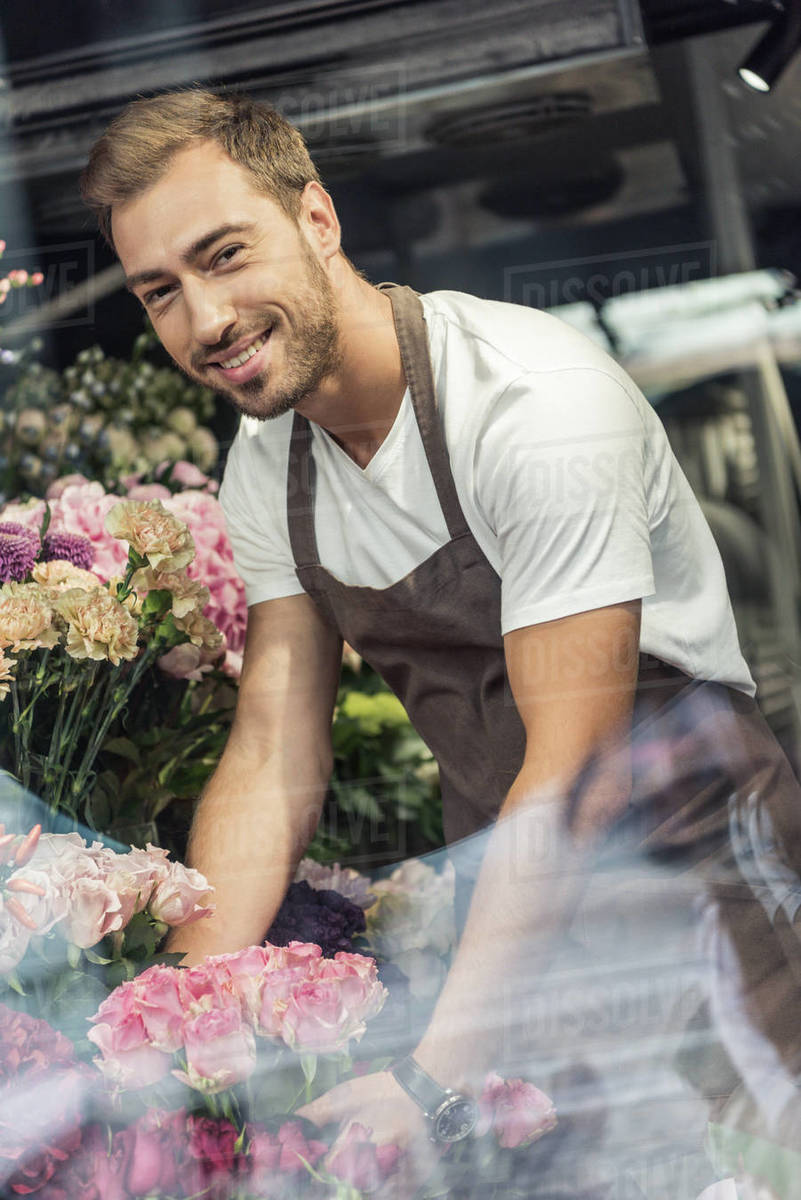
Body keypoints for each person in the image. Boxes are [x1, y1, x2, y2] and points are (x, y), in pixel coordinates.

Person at [81, 90, 801, 1194]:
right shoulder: (269, 466)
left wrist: (434, 1076)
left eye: (226, 255)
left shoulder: (532, 408)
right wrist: (167, 1024)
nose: (205, 319)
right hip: (523, 925)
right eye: (160, 291)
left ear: (317, 219)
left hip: (709, 894)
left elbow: (570, 772)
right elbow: (275, 753)